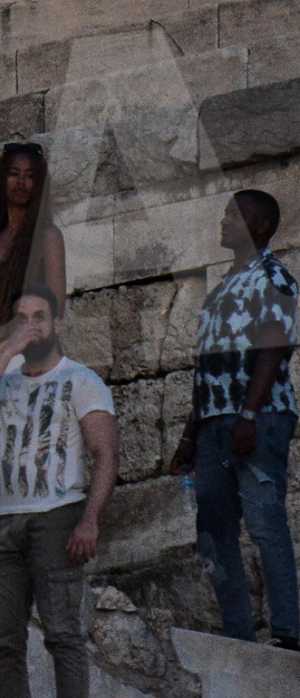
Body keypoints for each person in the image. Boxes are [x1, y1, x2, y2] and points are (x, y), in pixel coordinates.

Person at [0, 285, 119, 698]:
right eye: (21, 318)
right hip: (2, 518)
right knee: (2, 640)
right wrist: (6, 351)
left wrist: (89, 519)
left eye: (39, 317)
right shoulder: (5, 377)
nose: (30, 326)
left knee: (64, 635)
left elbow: (106, 455)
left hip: (58, 513)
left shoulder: (81, 379)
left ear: (57, 324)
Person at [170, 190, 300, 649]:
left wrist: (248, 414)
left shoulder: (274, 278)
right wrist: (189, 436)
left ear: (261, 226)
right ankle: (238, 635)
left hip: (258, 420)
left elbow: (273, 347)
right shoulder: (224, 286)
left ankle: (288, 631)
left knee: (265, 524)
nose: (223, 220)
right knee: (213, 532)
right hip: (213, 425)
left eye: (234, 213)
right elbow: (210, 369)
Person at [0, 142, 66, 347]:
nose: (21, 182)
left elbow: (56, 306)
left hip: (31, 351)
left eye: (30, 176)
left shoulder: (48, 236)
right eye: (14, 173)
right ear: (2, 180)